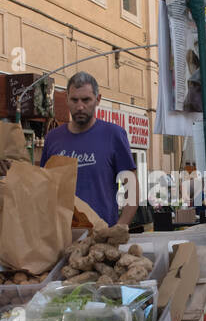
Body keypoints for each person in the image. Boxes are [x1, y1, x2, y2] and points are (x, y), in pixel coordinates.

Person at [41, 72, 137, 227]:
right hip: (61, 237)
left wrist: (121, 226)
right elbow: (44, 188)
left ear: (98, 99)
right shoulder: (53, 138)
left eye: (86, 100)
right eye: (74, 100)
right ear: (66, 99)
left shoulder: (114, 135)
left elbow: (131, 187)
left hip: (101, 237)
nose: (80, 106)